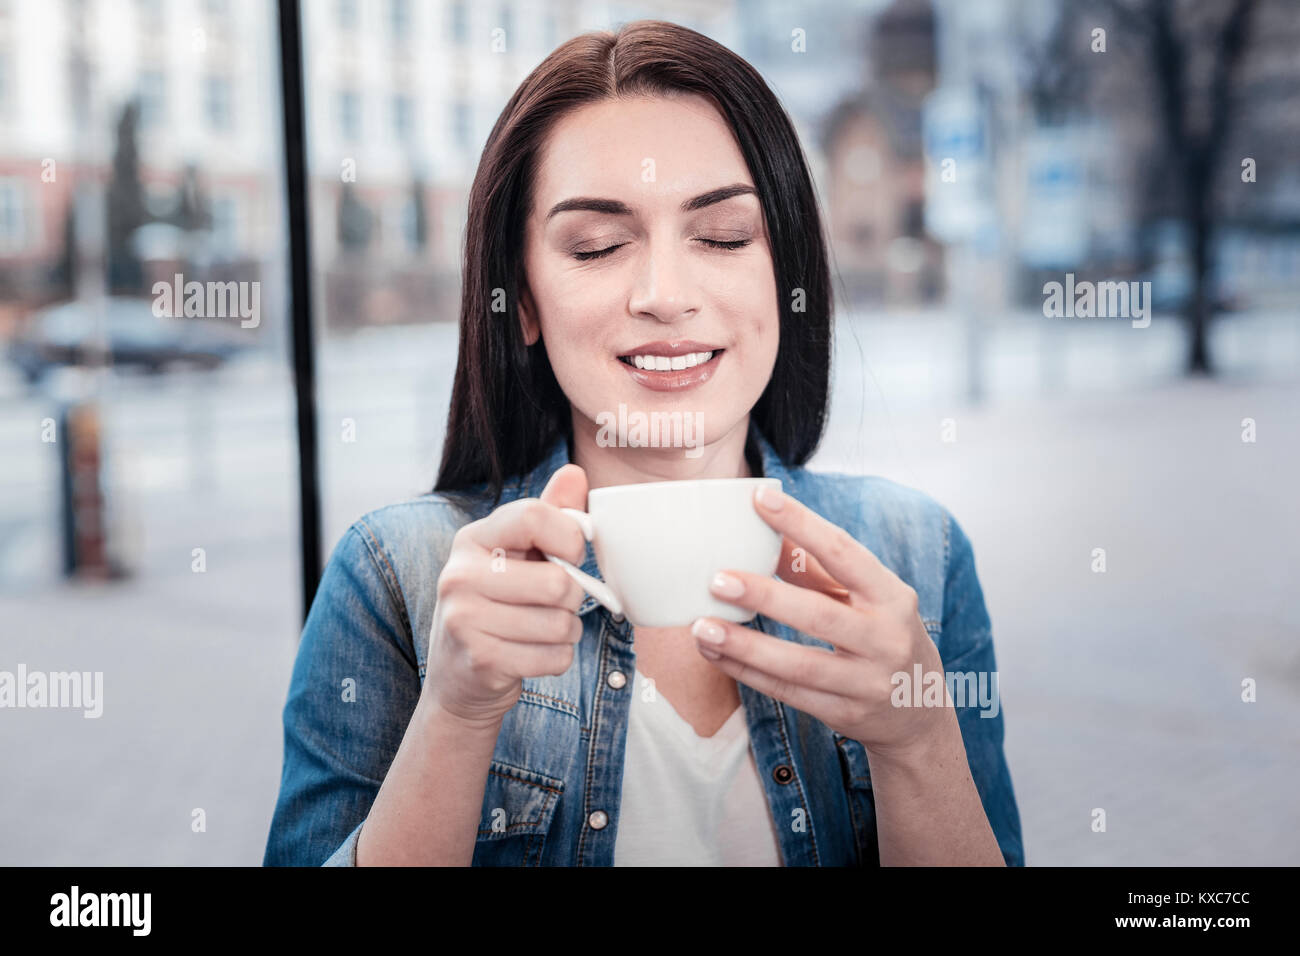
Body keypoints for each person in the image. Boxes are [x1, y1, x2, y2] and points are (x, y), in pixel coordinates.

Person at [263, 19, 1023, 867]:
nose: (665, 294)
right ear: (523, 301)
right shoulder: (400, 575)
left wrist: (917, 744)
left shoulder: (915, 557)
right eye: (598, 245)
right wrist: (455, 714)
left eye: (724, 237)